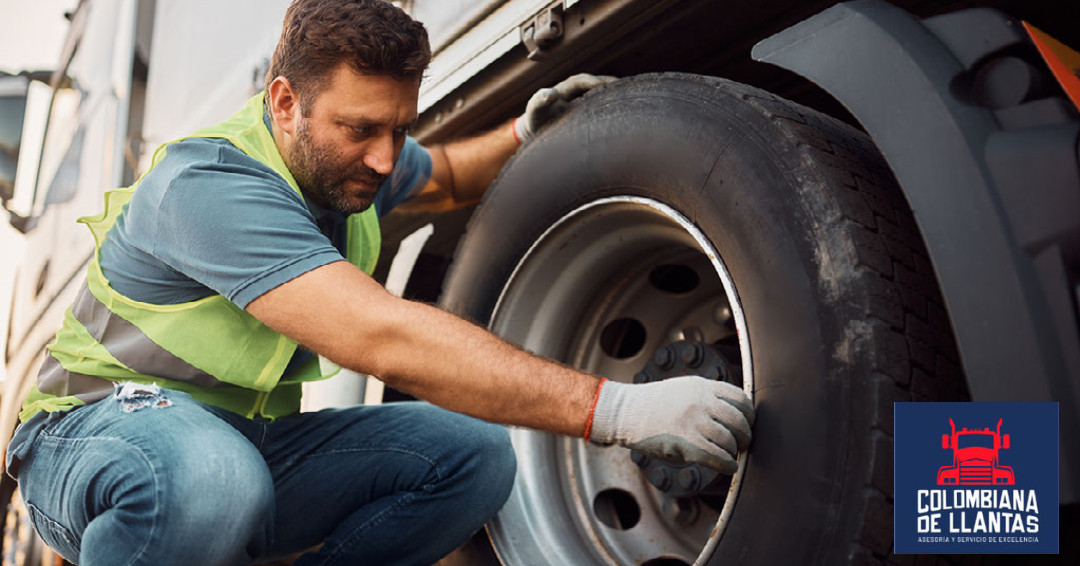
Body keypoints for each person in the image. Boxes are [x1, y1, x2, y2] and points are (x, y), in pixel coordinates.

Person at [4, 1, 755, 564]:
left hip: (237, 442)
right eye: (361, 129)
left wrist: (526, 131)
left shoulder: (348, 166)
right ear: (284, 103)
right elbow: (383, 339)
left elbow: (448, 174)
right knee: (211, 479)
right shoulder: (208, 183)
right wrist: (618, 407)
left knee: (473, 456)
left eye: (399, 127)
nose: (387, 158)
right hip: (93, 432)